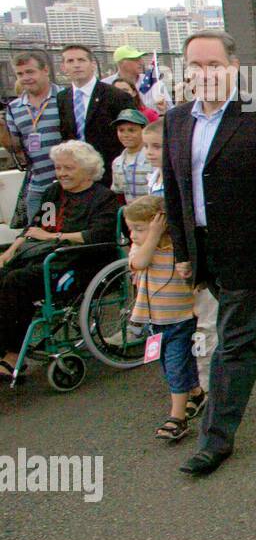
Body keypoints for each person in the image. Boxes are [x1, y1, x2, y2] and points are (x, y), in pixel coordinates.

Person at [163, 30, 256, 476]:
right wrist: (183, 251)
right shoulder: (176, 120)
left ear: (233, 67)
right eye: (195, 65)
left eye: (214, 64)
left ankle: (215, 438)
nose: (204, 73)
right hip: (206, 248)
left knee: (234, 343)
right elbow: (176, 192)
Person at [0, 140, 119, 380]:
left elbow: (96, 235)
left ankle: (12, 356)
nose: (61, 173)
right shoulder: (53, 193)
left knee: (16, 282)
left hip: (79, 262)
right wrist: (10, 251)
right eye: (58, 167)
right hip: (45, 255)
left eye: (68, 168)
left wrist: (55, 236)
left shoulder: (102, 197)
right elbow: (36, 227)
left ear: (87, 169)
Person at [124, 194, 205, 441]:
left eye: (139, 228)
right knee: (170, 365)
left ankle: (177, 417)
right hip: (155, 320)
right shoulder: (141, 247)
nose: (134, 235)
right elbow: (139, 262)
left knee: (176, 365)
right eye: (131, 229)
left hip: (181, 317)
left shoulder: (178, 249)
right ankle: (197, 393)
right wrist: (150, 237)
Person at [1, 50, 60, 222]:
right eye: (20, 74)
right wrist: (2, 130)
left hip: (69, 185)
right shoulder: (14, 107)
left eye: (30, 72)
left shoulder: (66, 97)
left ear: (45, 71)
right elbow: (15, 147)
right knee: (36, 237)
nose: (25, 77)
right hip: (38, 185)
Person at [57, 44, 133, 169]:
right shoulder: (62, 98)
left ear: (92, 65)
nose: (76, 65)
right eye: (70, 61)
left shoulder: (116, 96)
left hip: (109, 168)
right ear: (63, 67)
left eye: (81, 60)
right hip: (77, 169)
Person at [110, 110, 152, 202]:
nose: (125, 135)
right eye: (121, 130)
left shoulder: (152, 158)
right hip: (132, 214)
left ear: (144, 130)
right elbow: (119, 193)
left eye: (131, 130)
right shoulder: (117, 162)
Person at [141, 119, 166, 196]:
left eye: (157, 147)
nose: (149, 152)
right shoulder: (152, 177)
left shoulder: (176, 180)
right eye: (146, 146)